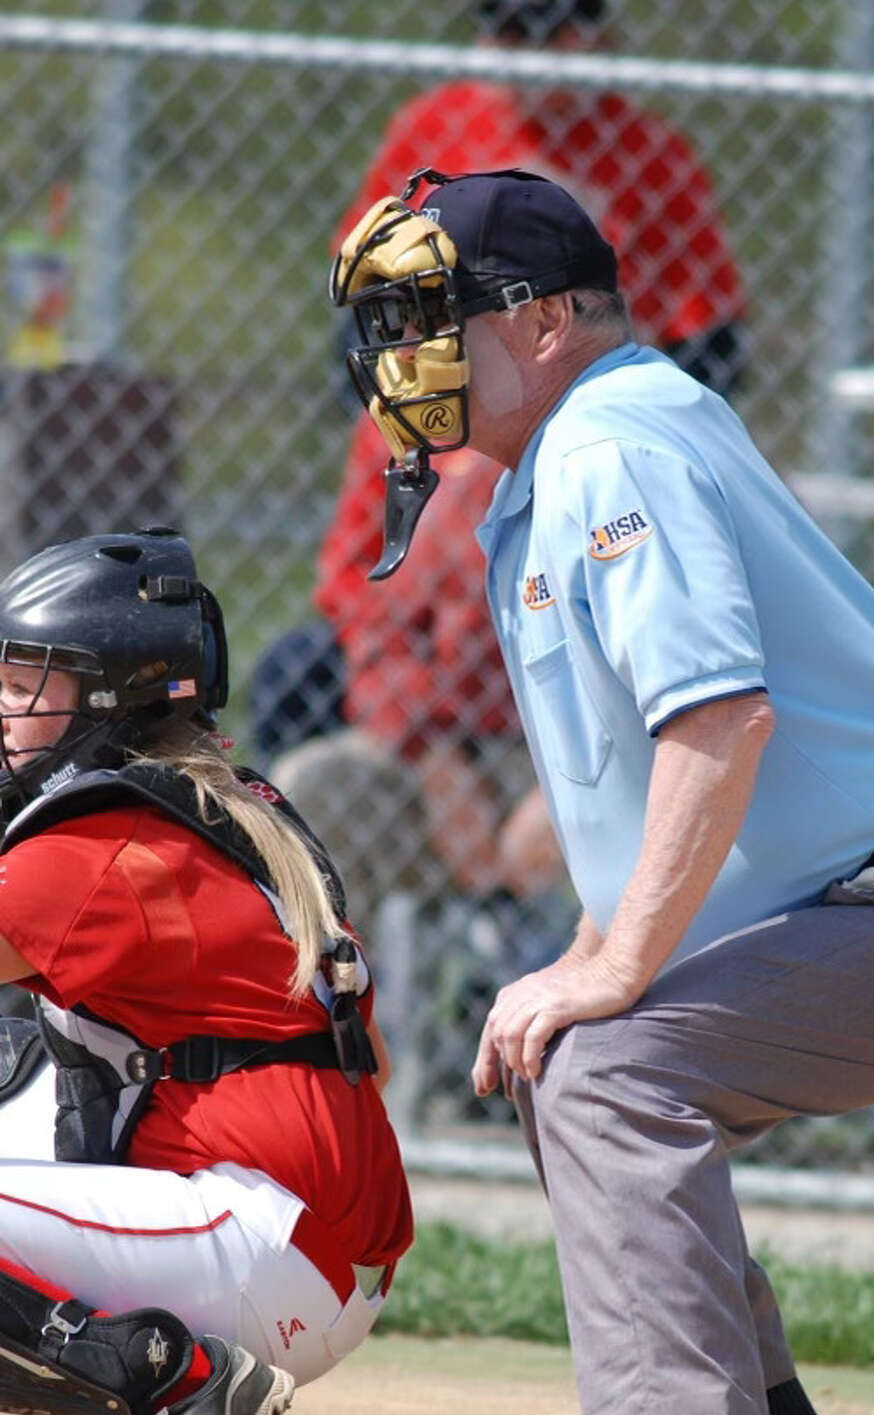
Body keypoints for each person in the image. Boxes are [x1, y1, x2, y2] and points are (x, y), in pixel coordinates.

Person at [330, 170, 874, 1415]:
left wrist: (615, 973)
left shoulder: (615, 439)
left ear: (550, 320)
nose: (402, 355)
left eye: (434, 314)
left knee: (612, 1066)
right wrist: (588, 963)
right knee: (580, 1050)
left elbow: (719, 720)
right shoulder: (552, 471)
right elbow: (643, 801)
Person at [259, 0, 748, 948]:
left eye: (547, 30)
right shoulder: (406, 422)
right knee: (293, 679)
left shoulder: (618, 455)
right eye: (504, 30)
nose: (519, 56)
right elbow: (363, 592)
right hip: (443, 693)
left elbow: (717, 345)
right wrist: (432, 748)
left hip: (566, 679)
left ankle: (532, 942)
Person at [0, 528, 412, 1415]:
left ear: (111, 698)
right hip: (299, 1243)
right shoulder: (206, 804)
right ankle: (123, 1414)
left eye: (29, 684)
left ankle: (176, 1384)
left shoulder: (103, 848)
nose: (5, 709)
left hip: (268, 1246)